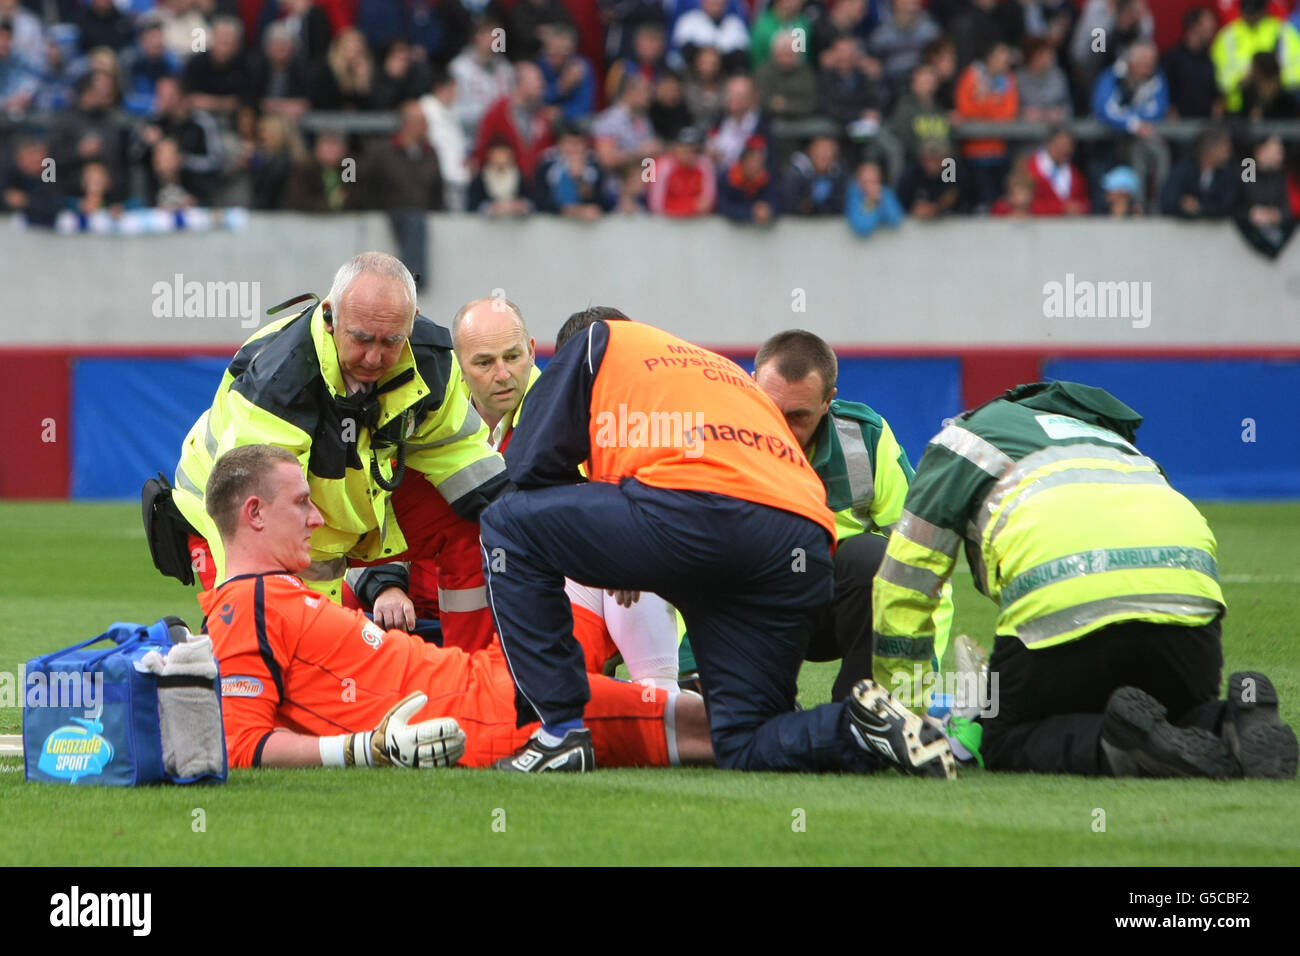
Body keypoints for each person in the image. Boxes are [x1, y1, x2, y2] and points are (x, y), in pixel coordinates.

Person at [478, 307, 956, 777]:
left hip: (701, 516)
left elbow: (527, 476)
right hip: (802, 544)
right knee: (742, 739)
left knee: (505, 523)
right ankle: (858, 726)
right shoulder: (713, 371)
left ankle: (560, 731)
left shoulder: (590, 345)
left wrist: (603, 554)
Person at [871, 381, 1298, 779]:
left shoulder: (961, 441)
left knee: (1005, 737)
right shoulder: (1116, 445)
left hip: (1063, 604)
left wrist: (902, 714)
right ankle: (1230, 720)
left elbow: (905, 584)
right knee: (1174, 713)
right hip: (1188, 604)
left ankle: (1117, 748)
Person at [200, 443, 713, 770]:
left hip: (495, 673)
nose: (316, 518)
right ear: (255, 514)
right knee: (716, 730)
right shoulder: (243, 606)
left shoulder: (278, 593)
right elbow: (244, 746)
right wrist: (363, 749)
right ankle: (685, 696)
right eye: (301, 503)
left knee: (595, 550)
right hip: (493, 715)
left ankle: (661, 682)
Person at [170, 252, 509, 654]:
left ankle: (471, 678)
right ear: (329, 315)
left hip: (342, 511)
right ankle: (212, 657)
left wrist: (528, 523)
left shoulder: (432, 361)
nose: (374, 357)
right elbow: (255, 517)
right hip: (229, 517)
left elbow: (466, 461)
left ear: (413, 320)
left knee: (484, 520)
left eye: (391, 341)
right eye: (362, 338)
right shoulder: (281, 383)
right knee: (279, 649)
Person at [353, 299, 683, 689]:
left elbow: (614, 506)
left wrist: (621, 546)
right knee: (330, 601)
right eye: (484, 362)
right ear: (459, 363)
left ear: (530, 350)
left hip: (533, 597)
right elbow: (376, 502)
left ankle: (653, 694)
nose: (503, 374)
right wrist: (386, 584)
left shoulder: (569, 412)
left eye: (513, 357)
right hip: (412, 603)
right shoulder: (427, 407)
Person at [753, 330, 953, 701]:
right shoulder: (722, 440)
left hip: (834, 610)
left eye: (798, 416)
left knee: (873, 558)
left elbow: (921, 565)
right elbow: (697, 562)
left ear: (828, 400)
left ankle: (860, 714)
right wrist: (690, 667)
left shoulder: (865, 440)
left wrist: (917, 675)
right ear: (752, 387)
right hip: (751, 608)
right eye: (770, 410)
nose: (781, 430)